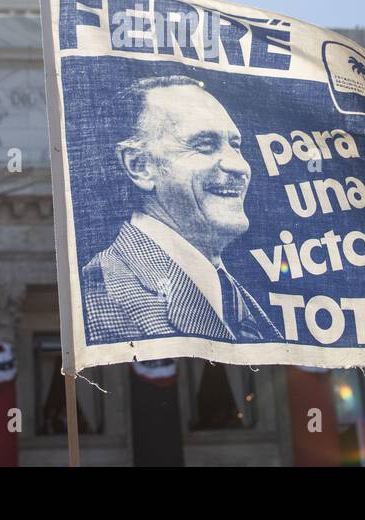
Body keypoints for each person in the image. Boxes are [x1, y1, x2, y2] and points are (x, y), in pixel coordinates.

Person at [82, 74, 281, 344]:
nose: (238, 165)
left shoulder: (224, 289)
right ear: (140, 167)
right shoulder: (106, 298)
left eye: (236, 145)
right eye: (204, 146)